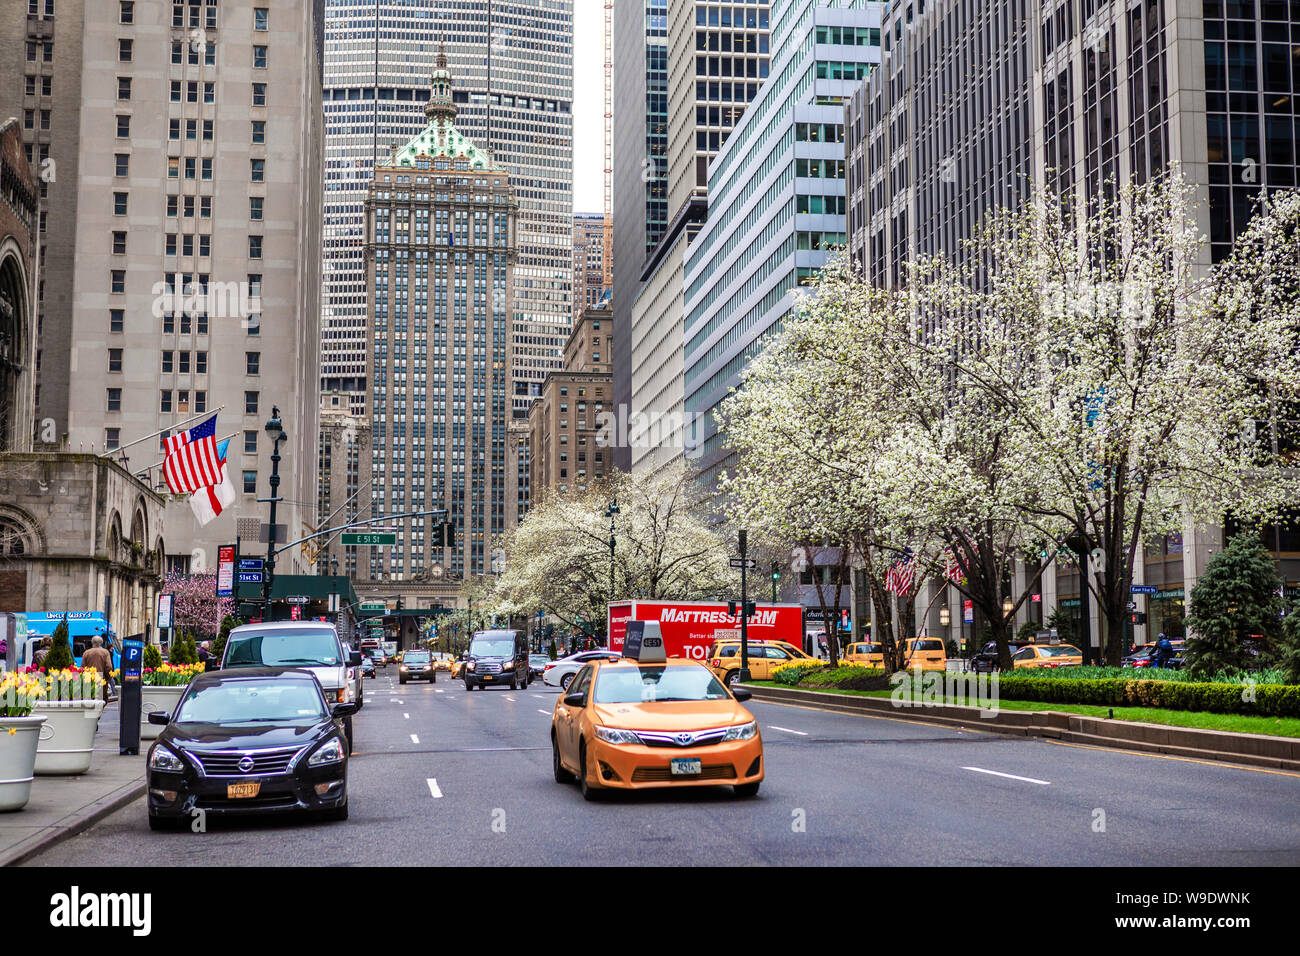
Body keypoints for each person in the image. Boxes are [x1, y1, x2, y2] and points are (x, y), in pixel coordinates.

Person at [81, 635, 114, 701]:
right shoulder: (105, 652)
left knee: (90, 699)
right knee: (102, 700)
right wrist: (108, 678)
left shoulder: (86, 653)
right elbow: (109, 667)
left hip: (89, 680)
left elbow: (82, 668)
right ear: (101, 643)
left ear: (92, 642)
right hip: (102, 680)